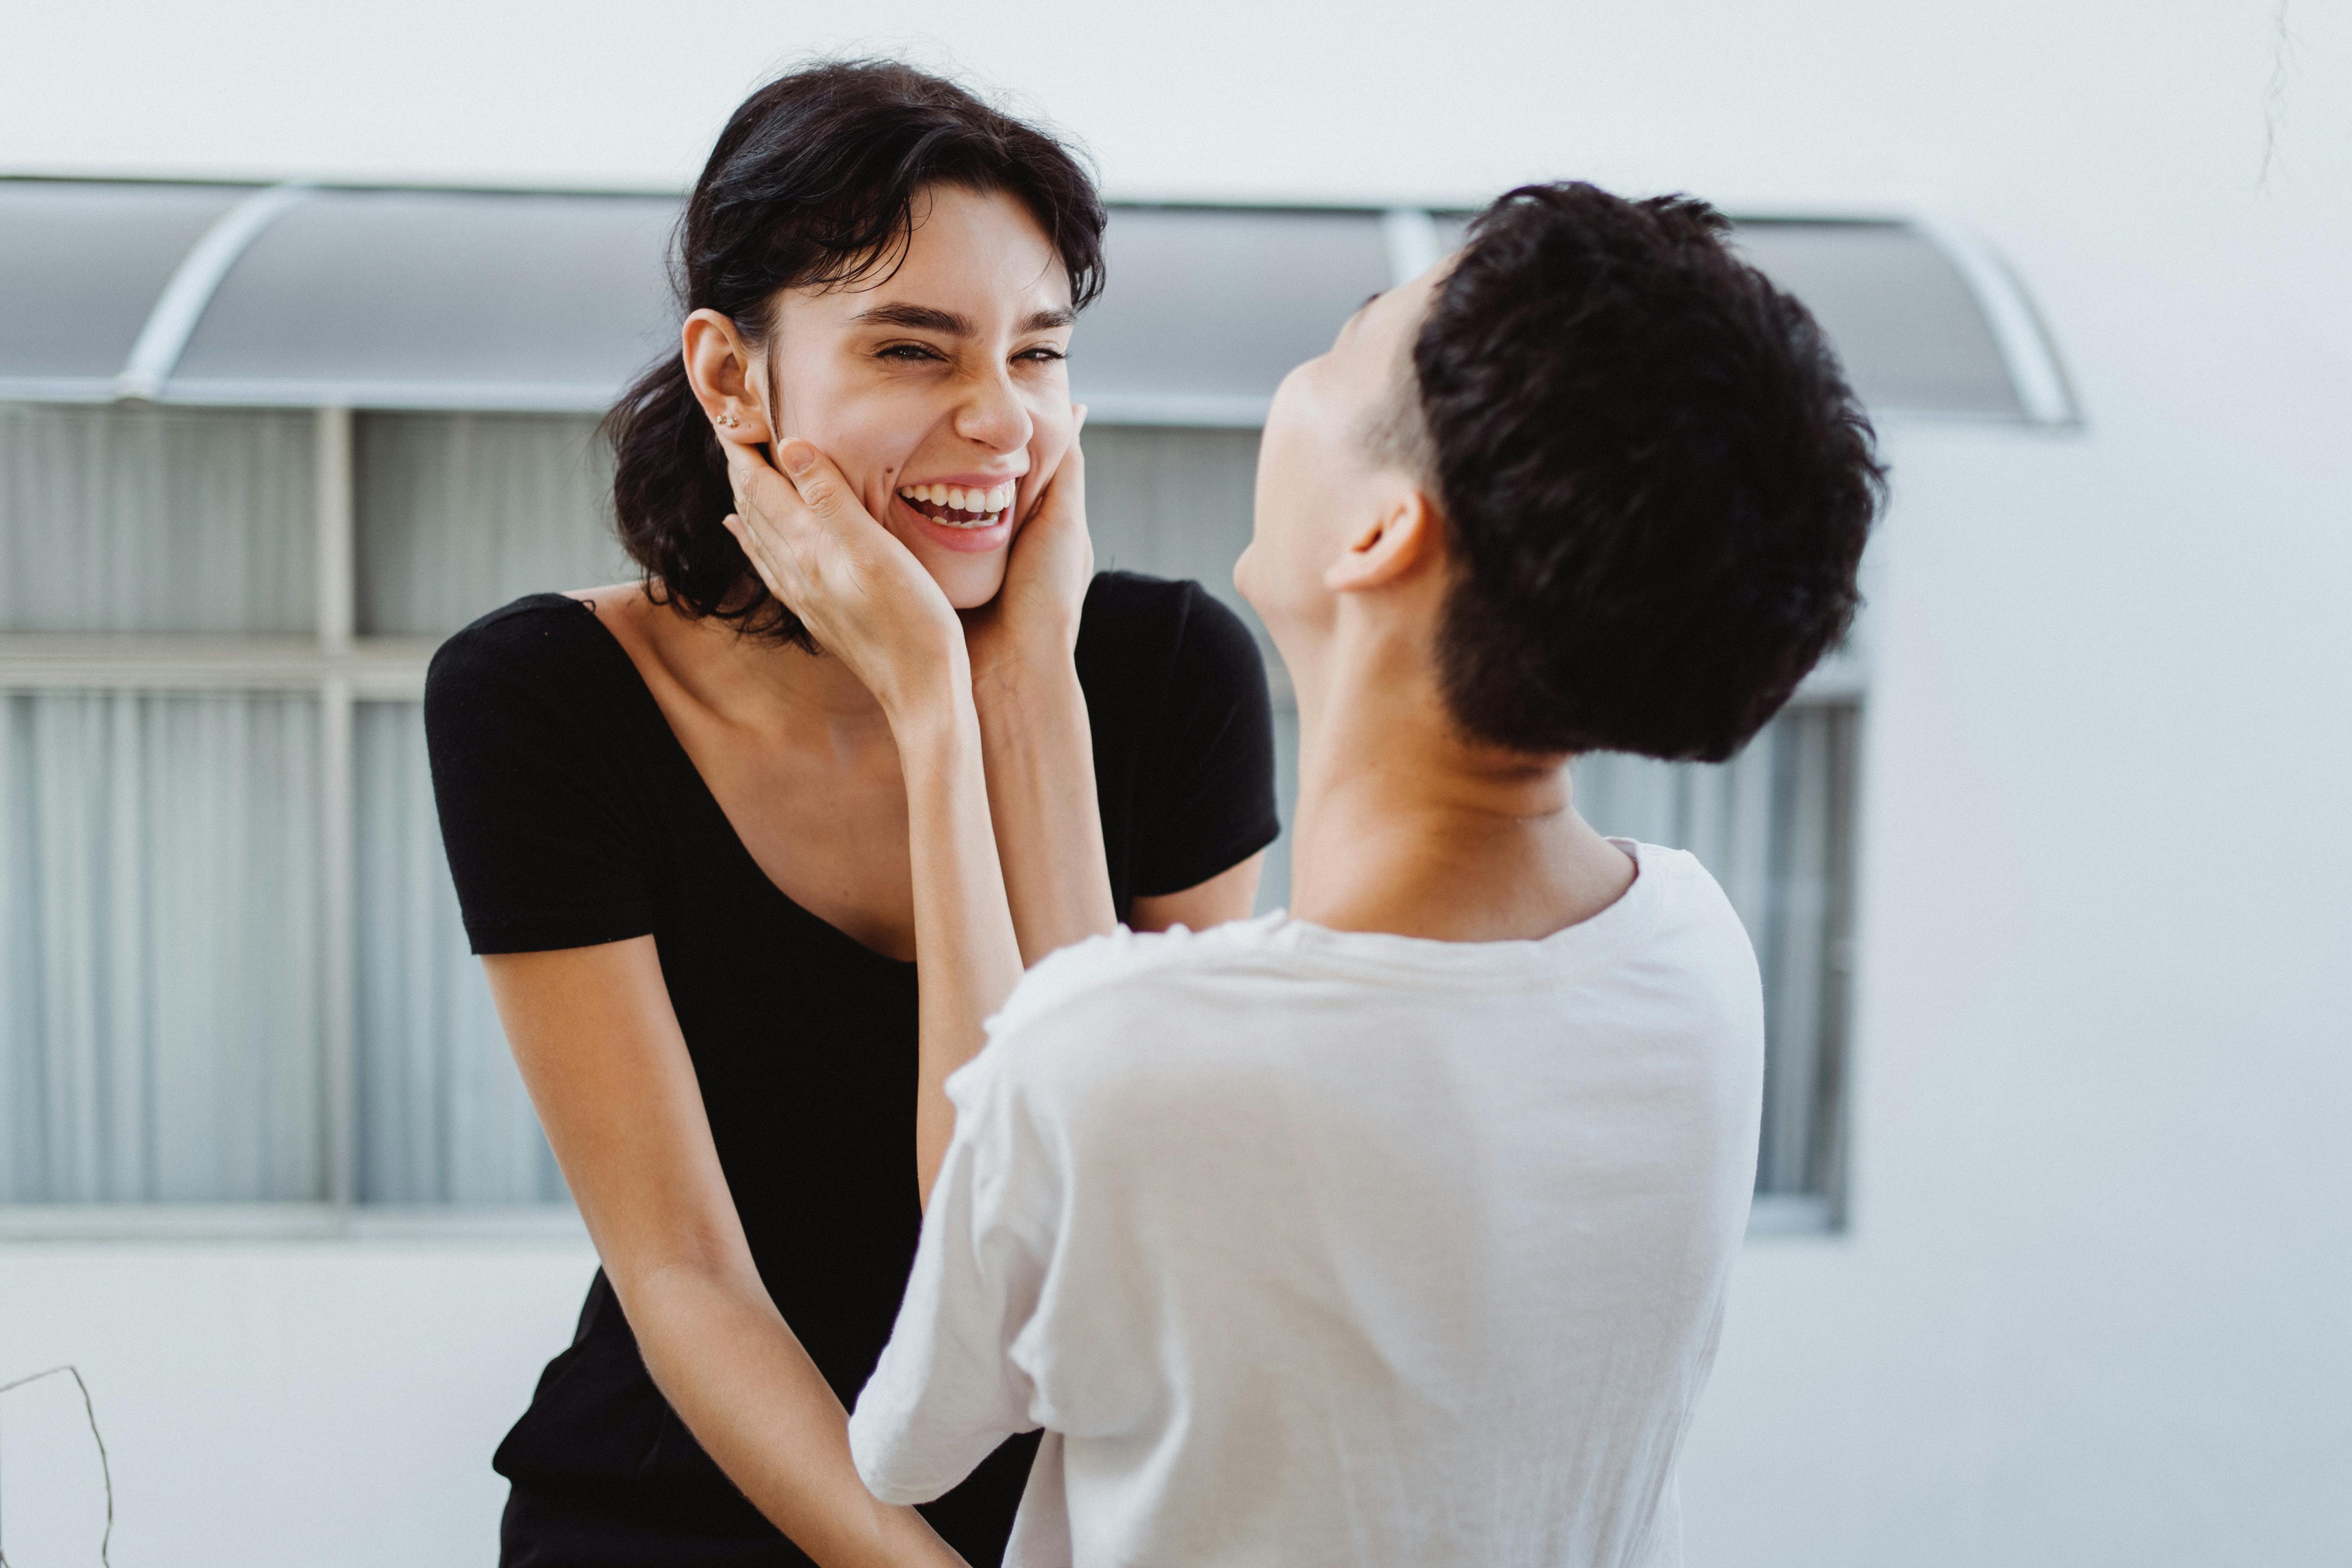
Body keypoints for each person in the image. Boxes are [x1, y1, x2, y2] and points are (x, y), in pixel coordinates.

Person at [820, 183, 1885, 1565]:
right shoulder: (1691, 950)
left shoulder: (1107, 1064)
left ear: (1379, 532)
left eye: (1340, 349)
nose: (1295, 384)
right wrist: (1027, 665)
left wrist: (932, 701)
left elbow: (912, 1438)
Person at [423, 61, 1277, 1568]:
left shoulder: (1165, 674)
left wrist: (1015, 701)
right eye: (911, 348)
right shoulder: (541, 698)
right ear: (732, 375)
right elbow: (683, 1274)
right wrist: (930, 709)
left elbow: (1097, 1219)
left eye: (1038, 352)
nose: (998, 420)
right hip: (691, 1505)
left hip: (1074, 1516)